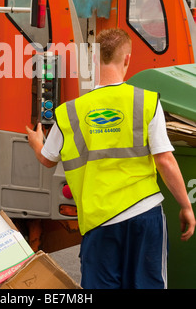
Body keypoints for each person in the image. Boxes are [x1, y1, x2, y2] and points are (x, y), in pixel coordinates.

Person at [26, 28, 195, 289]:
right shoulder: (146, 102)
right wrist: (185, 205)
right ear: (127, 58)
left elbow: (48, 160)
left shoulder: (70, 112)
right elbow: (165, 160)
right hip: (144, 213)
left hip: (100, 220)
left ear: (94, 60)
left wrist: (37, 143)